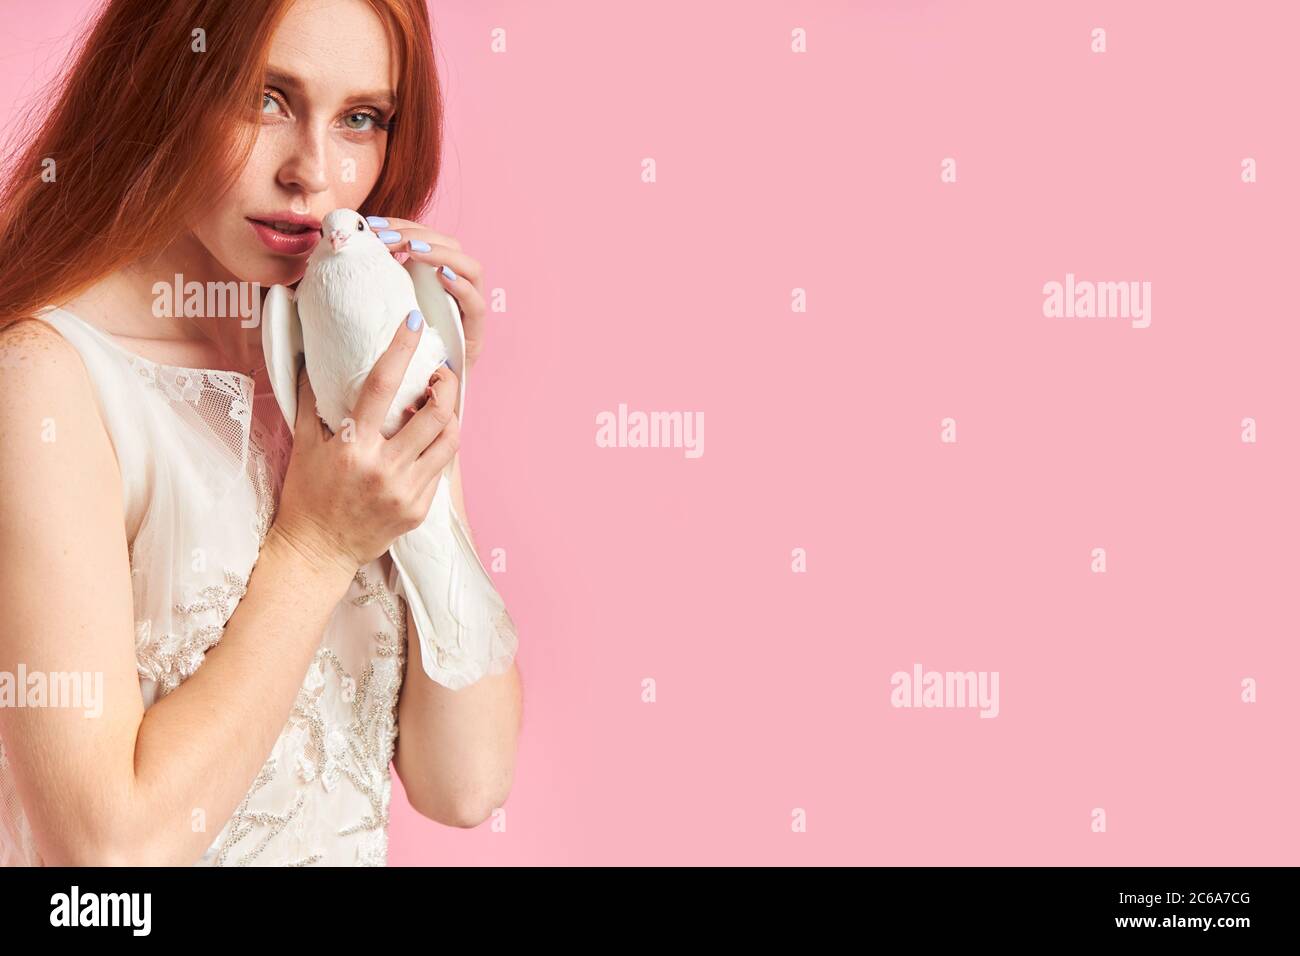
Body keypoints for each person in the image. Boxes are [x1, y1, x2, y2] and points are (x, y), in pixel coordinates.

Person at [0, 0, 522, 866]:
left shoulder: (331, 372)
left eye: (362, 119)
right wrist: (316, 546)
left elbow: (465, 780)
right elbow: (103, 857)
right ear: (163, 82)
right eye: (264, 99)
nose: (313, 173)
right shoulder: (44, 384)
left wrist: (418, 405)